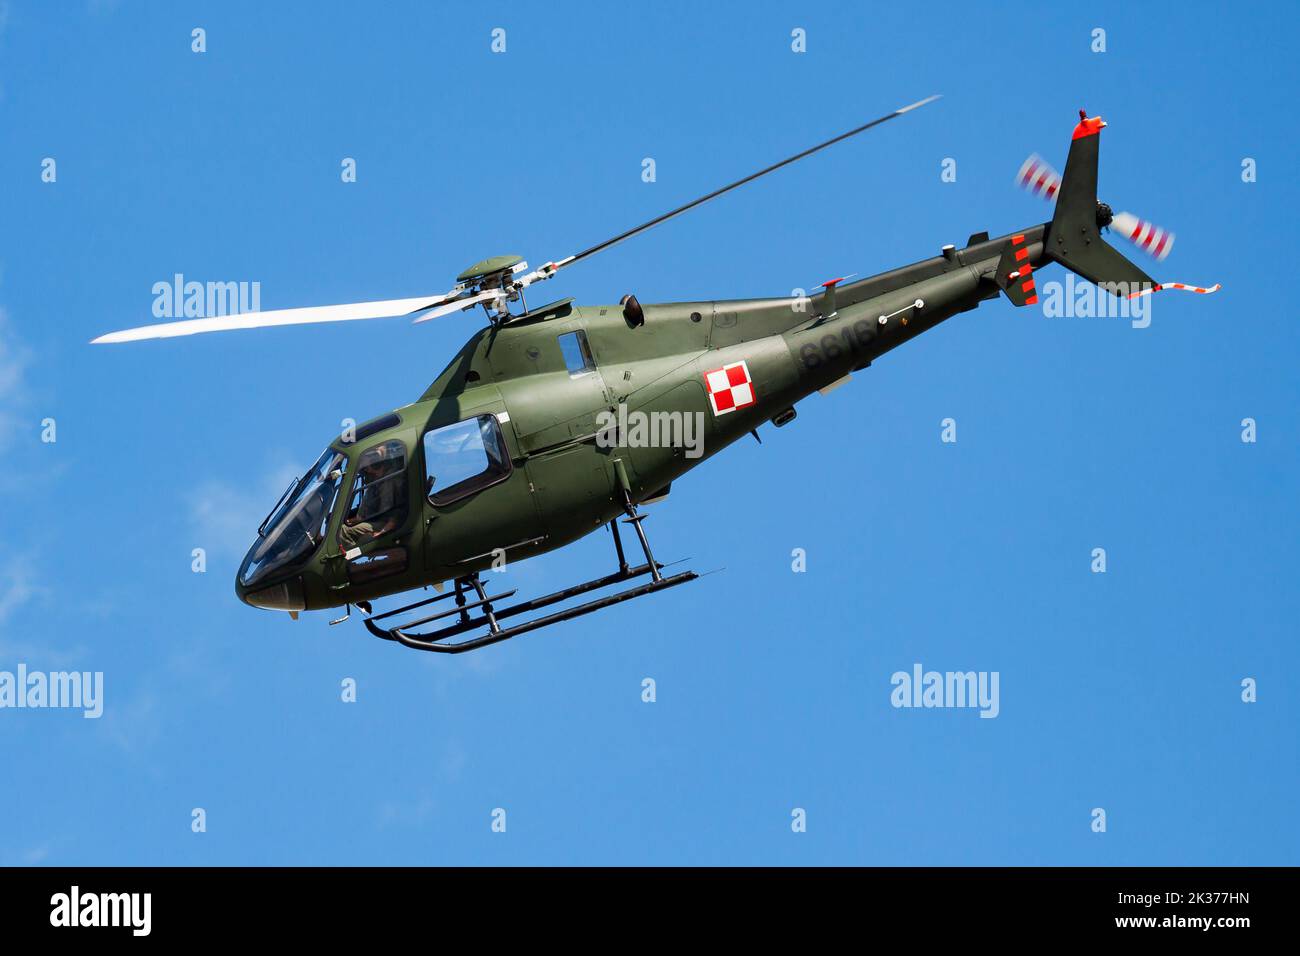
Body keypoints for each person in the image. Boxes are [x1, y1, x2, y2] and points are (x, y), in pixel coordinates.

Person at [338, 444, 403, 551]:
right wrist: (353, 521)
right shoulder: (375, 483)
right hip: (376, 521)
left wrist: (383, 532)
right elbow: (369, 512)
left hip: (384, 524)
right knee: (338, 526)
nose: (364, 469)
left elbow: (396, 513)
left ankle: (352, 556)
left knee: (340, 533)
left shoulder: (391, 480)